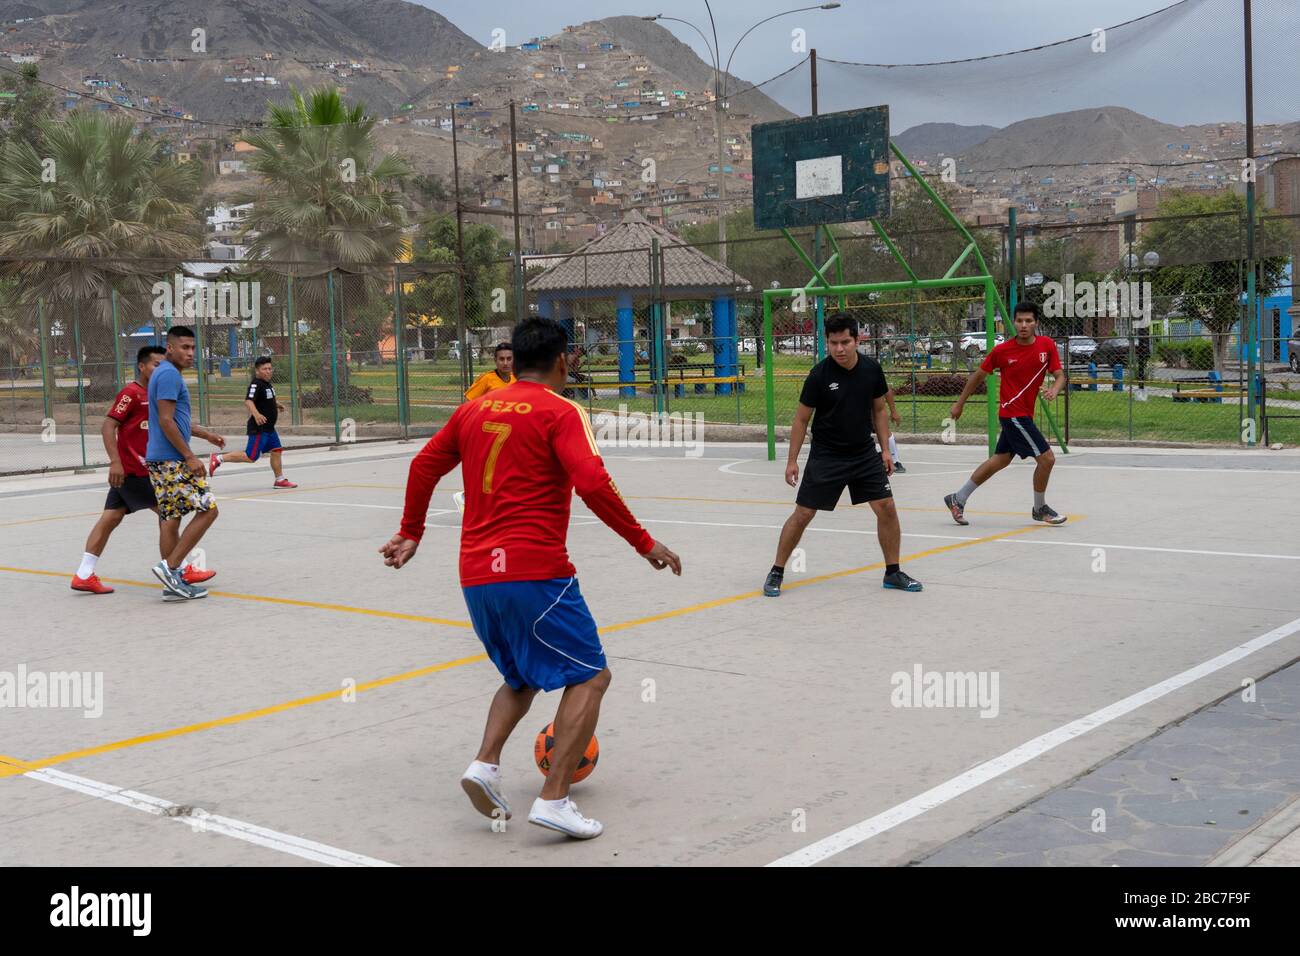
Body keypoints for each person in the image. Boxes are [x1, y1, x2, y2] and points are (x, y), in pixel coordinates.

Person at [379, 318, 680, 840]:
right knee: (591, 675)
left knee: (521, 677)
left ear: (512, 361)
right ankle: (555, 798)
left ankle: (484, 765)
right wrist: (642, 541)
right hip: (535, 572)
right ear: (563, 362)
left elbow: (424, 466)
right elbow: (592, 481)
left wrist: (411, 531)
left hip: (476, 575)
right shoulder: (562, 411)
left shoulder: (474, 409)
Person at [763, 312, 921, 598]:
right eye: (834, 343)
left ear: (857, 340)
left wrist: (886, 450)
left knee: (886, 508)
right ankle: (776, 571)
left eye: (845, 342)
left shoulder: (872, 369)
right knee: (803, 513)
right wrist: (791, 461)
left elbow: (879, 410)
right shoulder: (819, 375)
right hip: (827, 455)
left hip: (863, 452)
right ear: (827, 342)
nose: (839, 349)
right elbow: (800, 421)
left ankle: (893, 572)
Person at [70, 346, 216, 595]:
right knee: (170, 516)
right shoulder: (131, 393)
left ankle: (84, 574)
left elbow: (172, 422)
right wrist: (114, 461)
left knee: (111, 518)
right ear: (142, 366)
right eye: (156, 365)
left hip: (141, 469)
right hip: (136, 469)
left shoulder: (158, 392)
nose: (162, 369)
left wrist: (207, 434)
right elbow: (108, 426)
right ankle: (176, 571)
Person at [944, 301, 1068, 526]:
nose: (1023, 325)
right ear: (1013, 322)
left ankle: (957, 498)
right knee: (1047, 459)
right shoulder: (1002, 351)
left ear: (1036, 323)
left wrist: (1054, 389)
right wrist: (959, 403)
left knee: (999, 460)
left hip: (1023, 415)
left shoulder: (1046, 346)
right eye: (1019, 321)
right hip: (1012, 414)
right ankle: (1039, 508)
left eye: (1028, 321)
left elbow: (1060, 375)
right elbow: (977, 377)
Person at [145, 325, 226, 600]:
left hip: (159, 458)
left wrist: (206, 435)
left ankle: (173, 583)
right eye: (185, 347)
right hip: (172, 460)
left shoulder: (164, 374)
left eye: (193, 348)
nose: (191, 353)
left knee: (171, 519)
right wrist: (189, 456)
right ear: (170, 347)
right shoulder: (169, 375)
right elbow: (166, 421)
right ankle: (170, 568)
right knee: (209, 510)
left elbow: (174, 420)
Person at [208, 357, 296, 488]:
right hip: (259, 428)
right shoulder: (256, 384)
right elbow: (249, 401)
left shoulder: (267, 384)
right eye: (264, 369)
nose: (268, 371)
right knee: (251, 456)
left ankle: (280, 480)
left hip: (269, 428)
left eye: (269, 368)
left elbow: (266, 400)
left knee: (276, 450)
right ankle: (218, 458)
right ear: (257, 371)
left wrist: (277, 405)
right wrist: (257, 414)